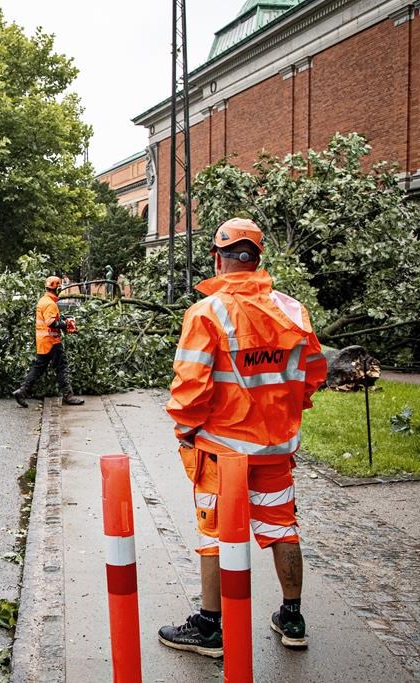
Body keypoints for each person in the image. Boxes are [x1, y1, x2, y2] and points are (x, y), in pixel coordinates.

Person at [158, 218, 327, 657]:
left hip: (222, 449)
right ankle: (292, 618)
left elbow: (190, 385)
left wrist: (185, 430)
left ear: (218, 258)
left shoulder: (207, 312)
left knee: (215, 533)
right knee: (282, 527)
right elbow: (312, 374)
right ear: (258, 259)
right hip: (275, 448)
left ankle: (211, 628)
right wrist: (287, 416)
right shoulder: (293, 310)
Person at [12, 276, 84, 408]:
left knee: (38, 368)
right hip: (52, 341)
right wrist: (65, 324)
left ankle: (22, 392)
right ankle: (68, 396)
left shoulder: (43, 300)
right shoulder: (50, 303)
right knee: (62, 367)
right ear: (57, 288)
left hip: (43, 341)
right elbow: (51, 322)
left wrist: (62, 320)